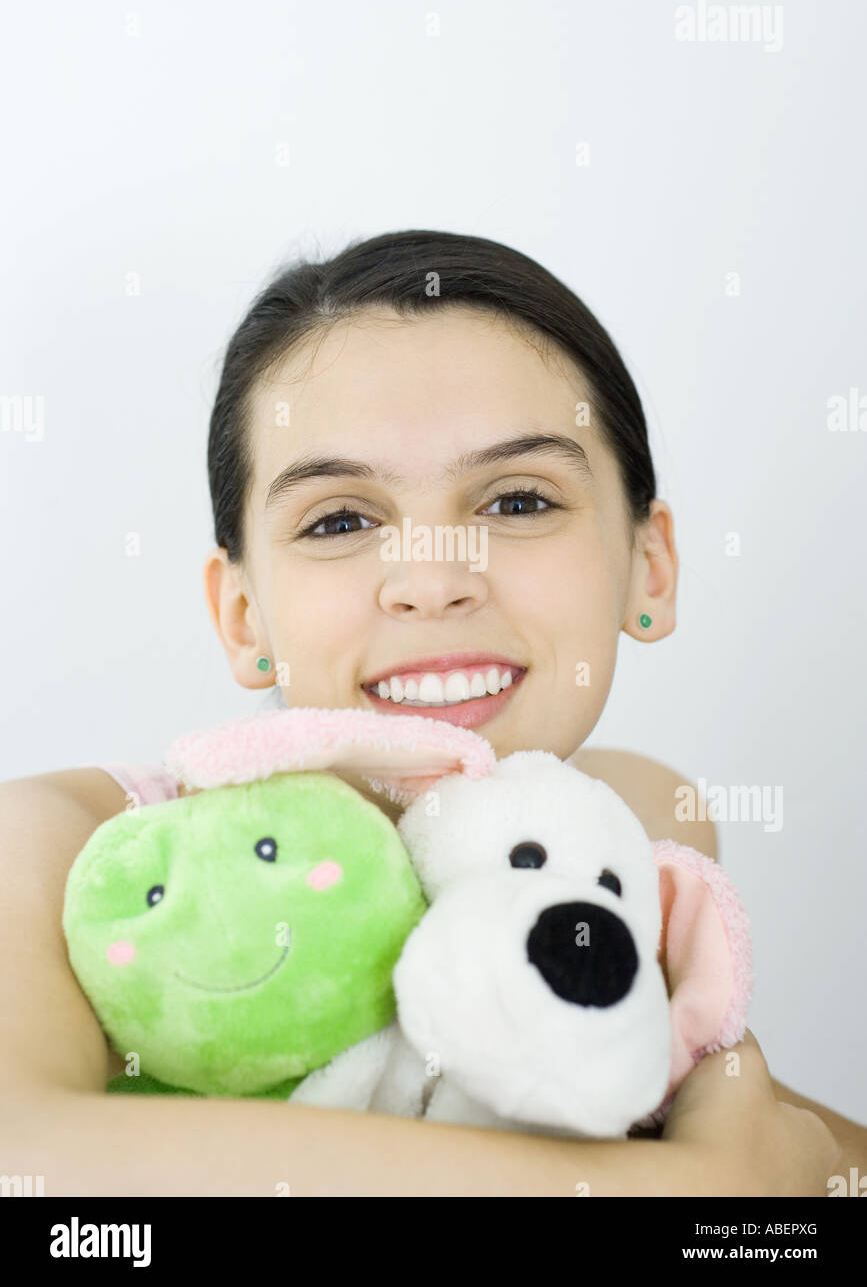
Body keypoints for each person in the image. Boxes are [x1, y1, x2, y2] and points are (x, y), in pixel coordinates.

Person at [1, 230, 857, 1196]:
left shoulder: (624, 826)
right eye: (340, 520)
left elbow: (762, 1152)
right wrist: (684, 1195)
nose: (435, 580)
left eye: (519, 501)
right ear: (243, 618)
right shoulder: (68, 846)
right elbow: (26, 1163)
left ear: (647, 565)